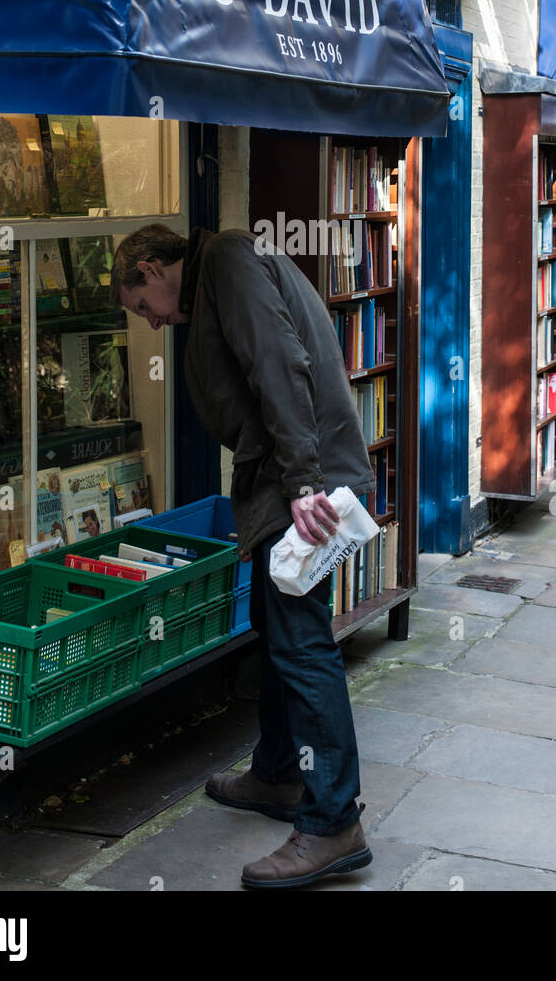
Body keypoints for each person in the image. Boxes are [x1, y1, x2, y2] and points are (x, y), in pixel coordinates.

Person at [112, 222, 375, 889]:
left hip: (299, 481)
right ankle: (279, 774)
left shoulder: (227, 258)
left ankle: (331, 822)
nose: (150, 324)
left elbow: (278, 364)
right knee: (272, 623)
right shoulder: (218, 271)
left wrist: (304, 483)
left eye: (143, 306)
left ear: (149, 269)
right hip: (283, 479)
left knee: (301, 643)